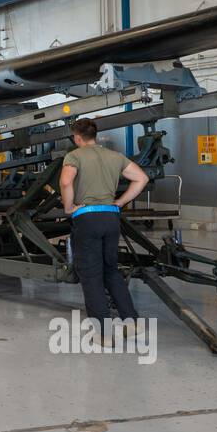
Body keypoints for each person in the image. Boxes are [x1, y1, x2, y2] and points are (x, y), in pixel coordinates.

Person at [58, 118, 149, 327]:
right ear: (95, 136)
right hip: (111, 217)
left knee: (91, 275)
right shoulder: (115, 156)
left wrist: (69, 207)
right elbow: (142, 178)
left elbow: (65, 181)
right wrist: (120, 202)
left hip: (87, 218)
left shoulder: (74, 156)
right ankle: (132, 322)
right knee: (111, 270)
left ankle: (103, 332)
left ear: (77, 137)